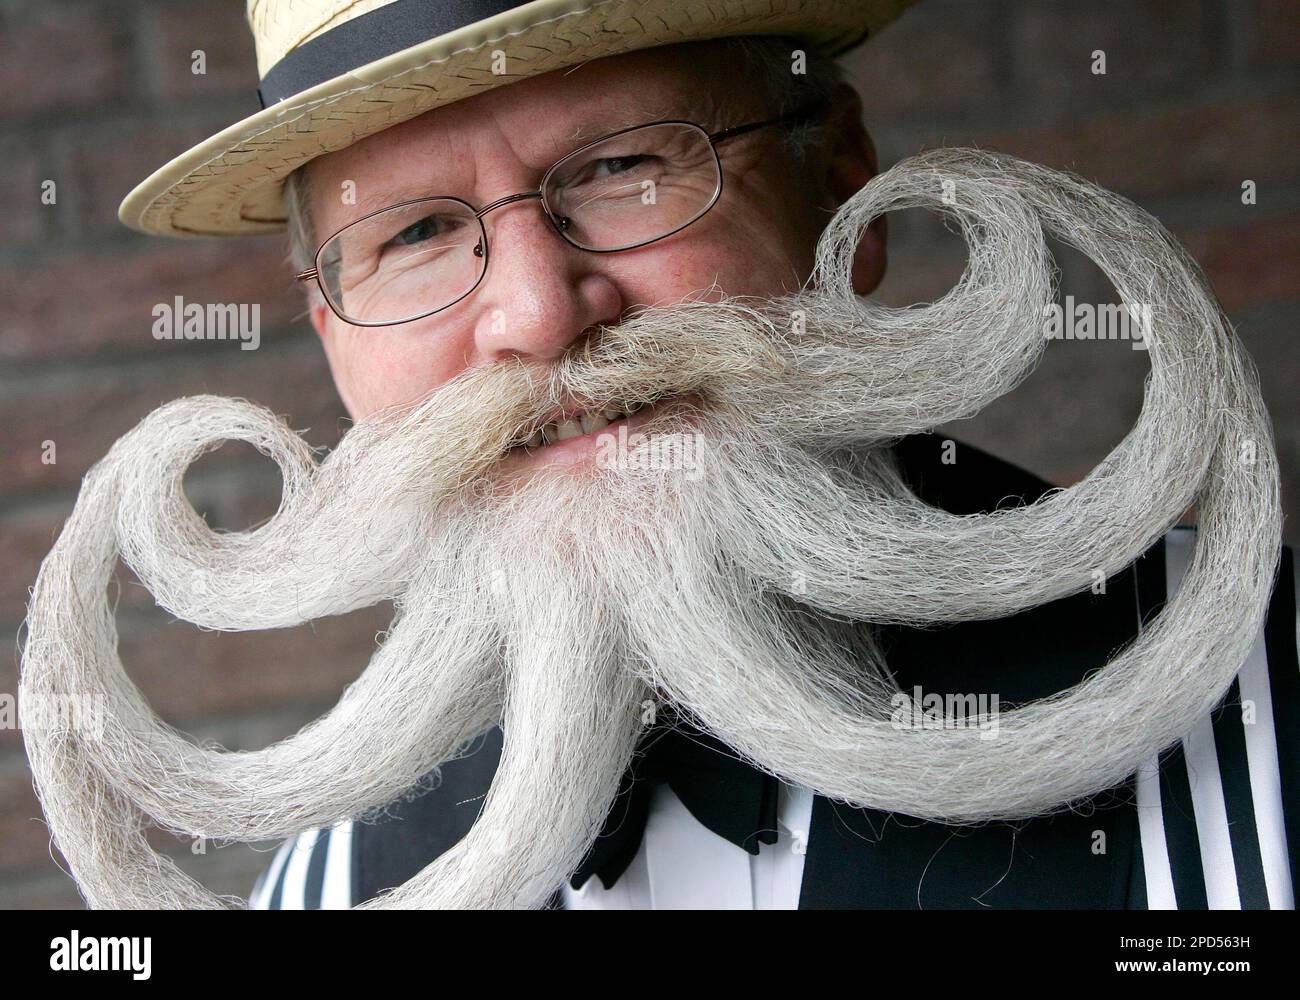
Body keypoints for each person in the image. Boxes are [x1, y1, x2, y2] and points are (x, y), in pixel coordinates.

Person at [23, 0, 1295, 910]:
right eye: (412, 234)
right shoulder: (333, 888)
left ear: (841, 188)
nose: (535, 312)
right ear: (333, 338)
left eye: (623, 166)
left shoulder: (1272, 702)